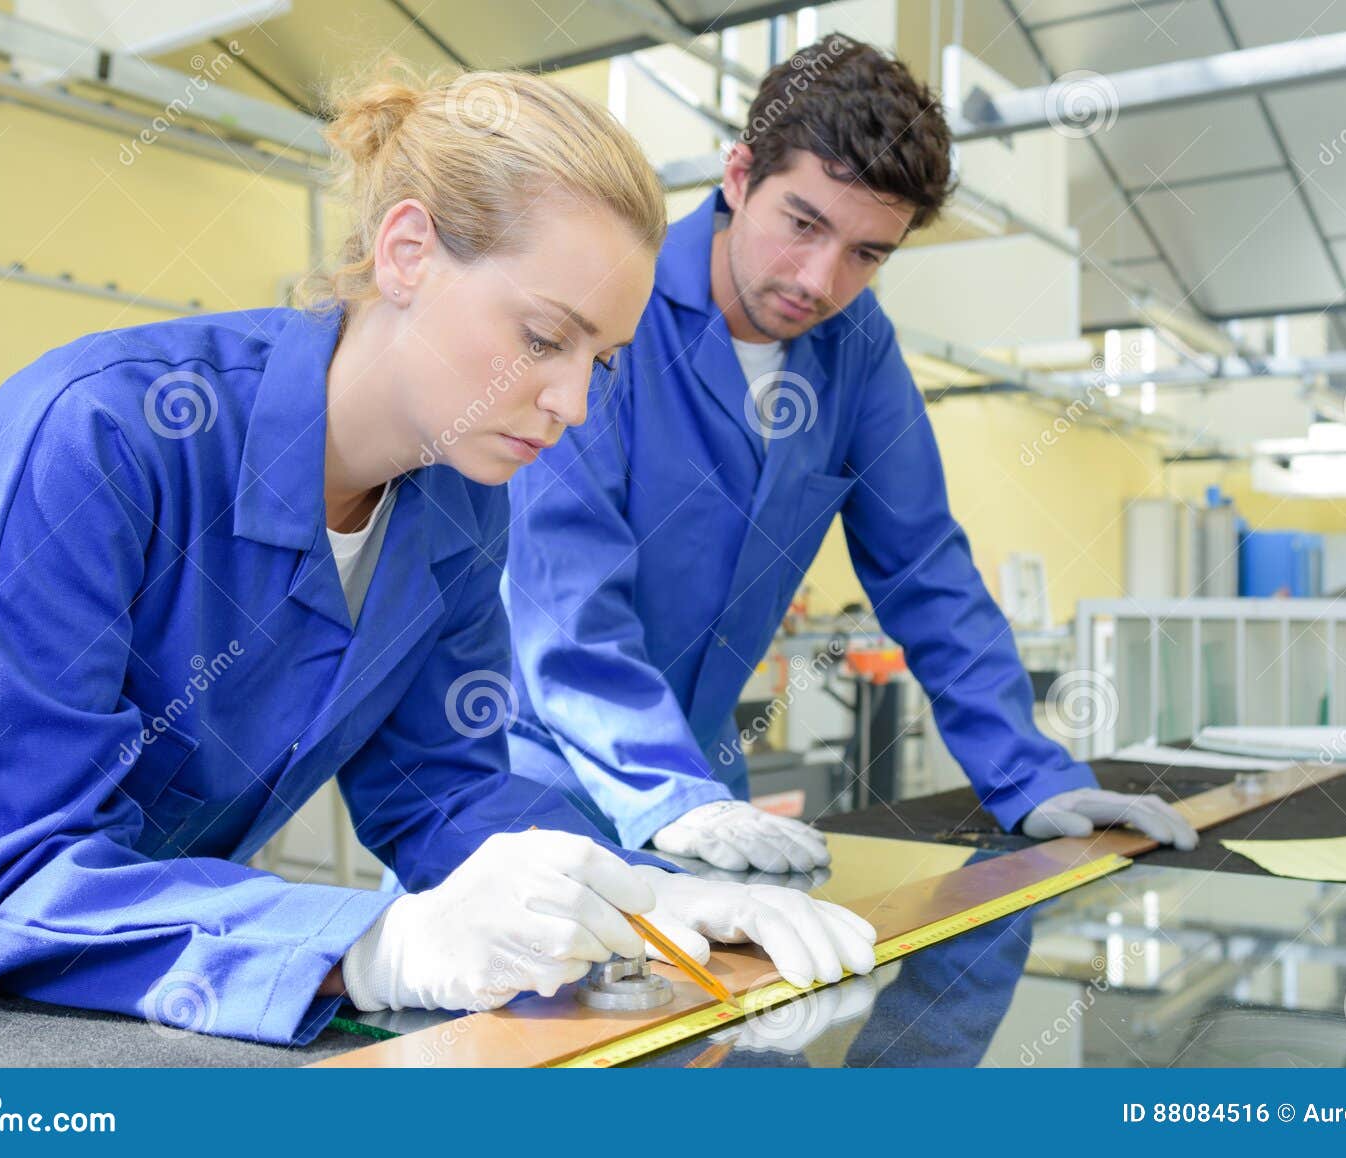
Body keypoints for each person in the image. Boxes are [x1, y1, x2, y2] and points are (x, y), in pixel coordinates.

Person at [0, 68, 875, 1043]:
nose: (573, 404)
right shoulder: (102, 433)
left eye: (601, 361)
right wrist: (370, 946)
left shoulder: (459, 507)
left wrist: (644, 892)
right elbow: (3, 871)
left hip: (89, 966)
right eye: (544, 338)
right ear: (406, 252)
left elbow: (441, 792)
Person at [503, 35, 1198, 875]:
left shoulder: (856, 348)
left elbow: (925, 567)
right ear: (739, 176)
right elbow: (565, 591)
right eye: (803, 224)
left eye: (867, 253)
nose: (820, 280)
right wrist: (669, 794)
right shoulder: (618, 302)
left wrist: (1029, 772)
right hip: (532, 766)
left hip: (704, 778)